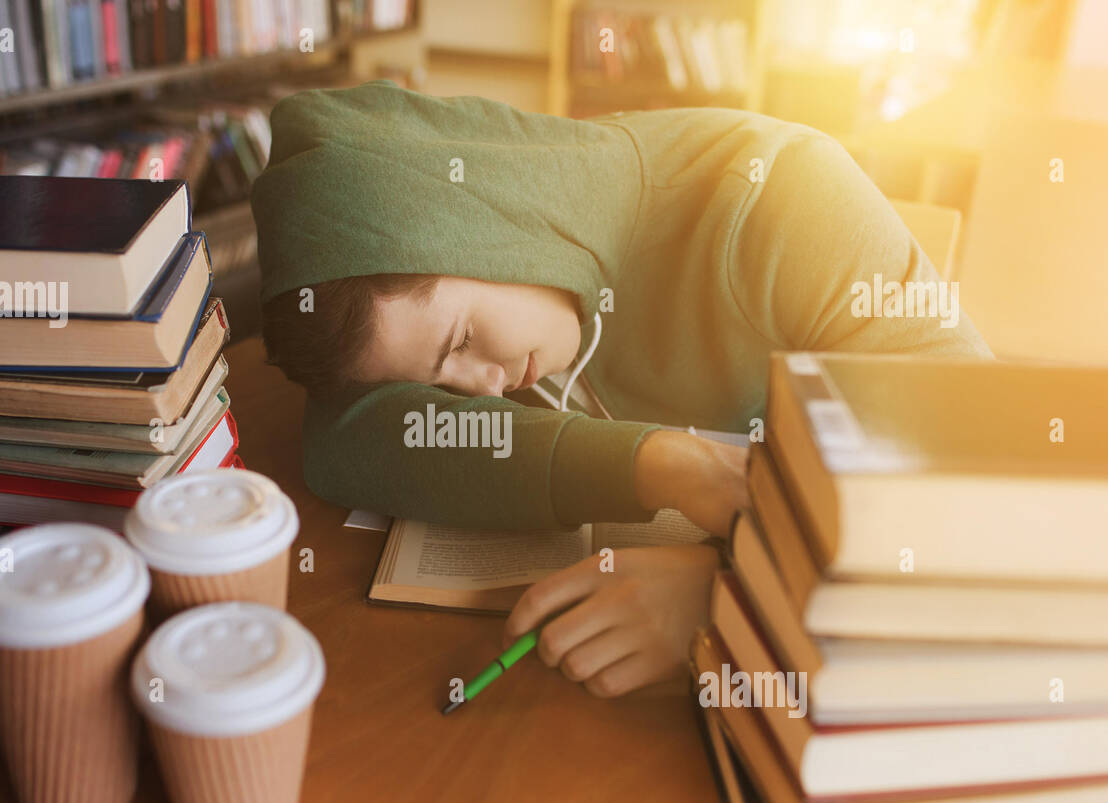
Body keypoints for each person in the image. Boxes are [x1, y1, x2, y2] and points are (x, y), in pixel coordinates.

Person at [251, 80, 991, 698]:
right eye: (434, 382)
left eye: (463, 342)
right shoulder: (501, 271)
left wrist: (727, 591)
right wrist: (657, 462)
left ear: (479, 221)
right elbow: (342, 438)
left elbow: (983, 463)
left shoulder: (786, 194)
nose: (473, 393)